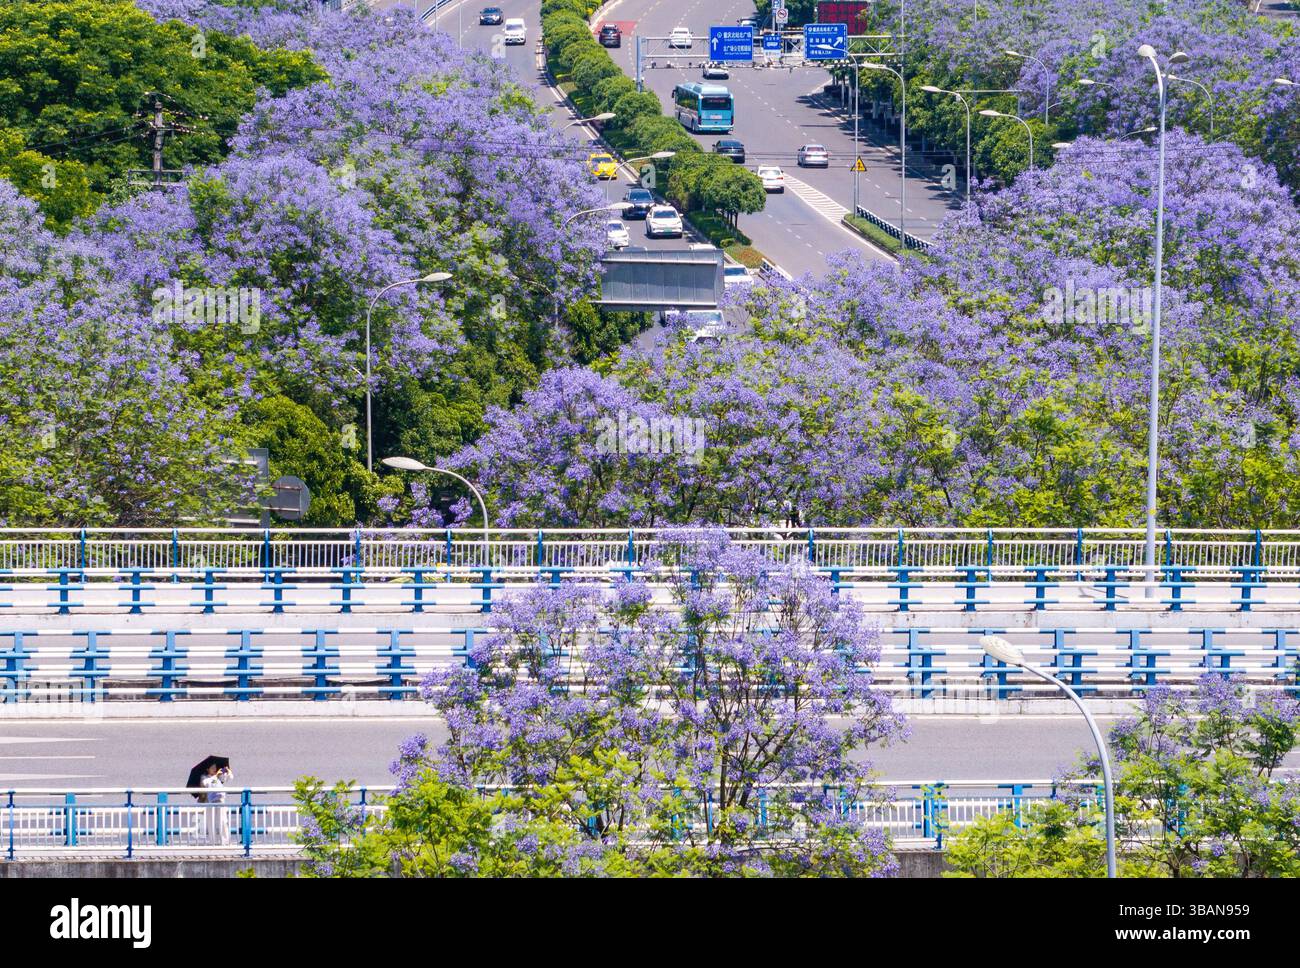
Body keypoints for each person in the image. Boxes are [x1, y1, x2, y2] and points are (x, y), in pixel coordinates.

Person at [201, 762, 233, 845]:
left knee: (223, 821)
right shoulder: (204, 777)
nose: (214, 769)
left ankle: (225, 841)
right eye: (212, 768)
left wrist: (228, 772)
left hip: (220, 800)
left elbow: (230, 779)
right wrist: (216, 776)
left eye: (215, 767)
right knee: (210, 822)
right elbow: (206, 783)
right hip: (210, 802)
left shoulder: (219, 776)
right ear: (208, 769)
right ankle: (213, 842)